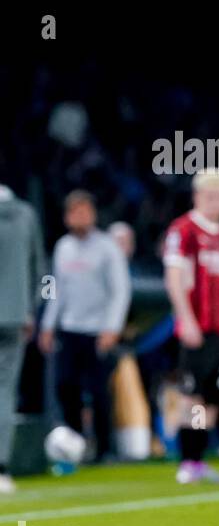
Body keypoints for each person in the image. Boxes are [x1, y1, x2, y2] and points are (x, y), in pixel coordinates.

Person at [162, 168, 219, 484]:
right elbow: (174, 279)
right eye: (209, 196)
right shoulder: (183, 231)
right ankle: (187, 460)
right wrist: (186, 319)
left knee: (212, 398)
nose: (216, 203)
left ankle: (198, 459)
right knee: (191, 396)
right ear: (197, 197)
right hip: (199, 326)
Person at [38, 191, 132, 462]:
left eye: (86, 211)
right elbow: (53, 288)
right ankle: (75, 444)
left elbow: (120, 290)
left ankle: (105, 449)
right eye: (76, 212)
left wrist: (111, 327)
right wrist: (47, 324)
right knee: (65, 386)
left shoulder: (107, 247)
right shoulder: (62, 247)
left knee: (99, 390)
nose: (81, 217)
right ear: (67, 217)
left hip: (97, 330)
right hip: (69, 328)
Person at [0, 181, 46, 495]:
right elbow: (42, 270)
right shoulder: (27, 214)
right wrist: (34, 309)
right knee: (4, 394)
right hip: (15, 316)